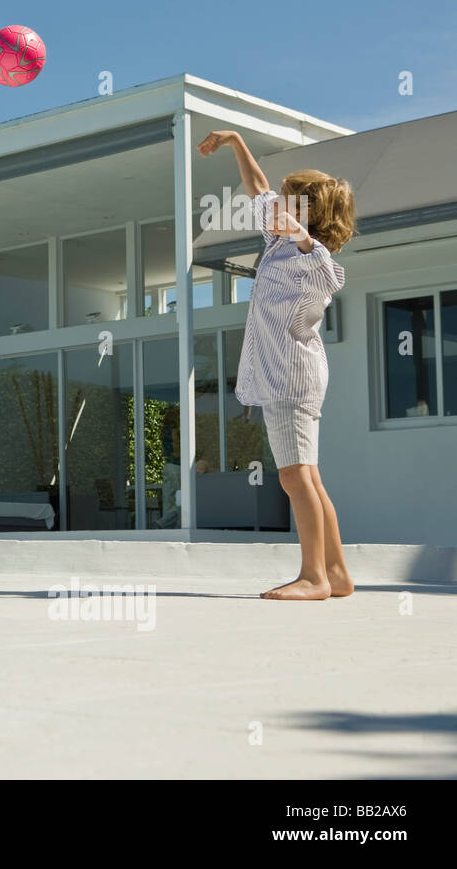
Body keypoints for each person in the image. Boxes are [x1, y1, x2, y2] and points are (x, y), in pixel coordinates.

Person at [198, 129, 353, 600]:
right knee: (307, 474)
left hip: (293, 376)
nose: (275, 204)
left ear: (307, 214)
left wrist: (304, 236)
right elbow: (258, 185)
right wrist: (235, 142)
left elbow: (324, 266)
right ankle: (337, 573)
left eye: (288, 201)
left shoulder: (314, 256)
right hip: (286, 373)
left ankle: (314, 578)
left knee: (291, 476)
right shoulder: (277, 240)